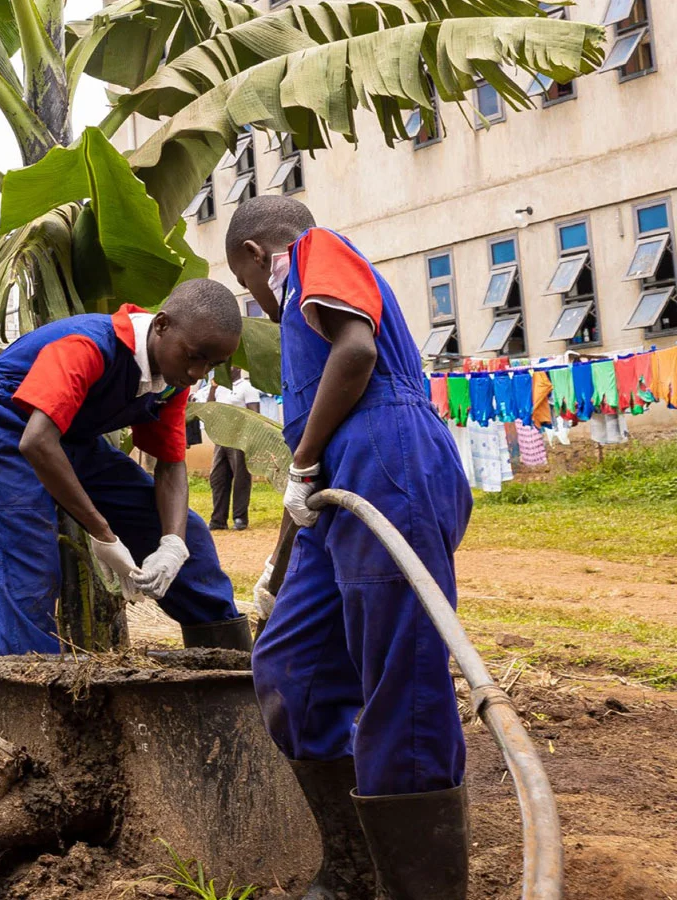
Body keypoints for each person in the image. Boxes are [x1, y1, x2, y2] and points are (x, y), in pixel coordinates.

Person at [225, 196, 473, 900]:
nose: (260, 308)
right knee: (292, 667)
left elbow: (358, 351)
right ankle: (354, 869)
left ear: (253, 257)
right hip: (340, 485)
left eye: (249, 292)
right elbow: (311, 458)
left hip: (390, 464)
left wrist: (304, 460)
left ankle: (420, 889)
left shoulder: (312, 251)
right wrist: (277, 566)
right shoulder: (302, 310)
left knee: (403, 678)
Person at [0, 279, 252, 656]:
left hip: (71, 438)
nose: (198, 373)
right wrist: (104, 535)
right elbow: (36, 442)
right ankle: (36, 695)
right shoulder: (88, 346)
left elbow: (170, 463)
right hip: (5, 427)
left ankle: (225, 664)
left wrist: (173, 544)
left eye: (212, 364)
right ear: (161, 325)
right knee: (30, 566)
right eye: (194, 356)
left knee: (191, 535)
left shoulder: (170, 379)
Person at [191, 367, 261, 530]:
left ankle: (240, 518)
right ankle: (218, 520)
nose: (228, 368)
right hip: (220, 439)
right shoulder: (219, 388)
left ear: (238, 368)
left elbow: (255, 414)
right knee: (218, 478)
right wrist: (213, 389)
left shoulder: (247, 387)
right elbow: (210, 408)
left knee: (240, 478)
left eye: (232, 364)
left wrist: (249, 438)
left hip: (239, 438)